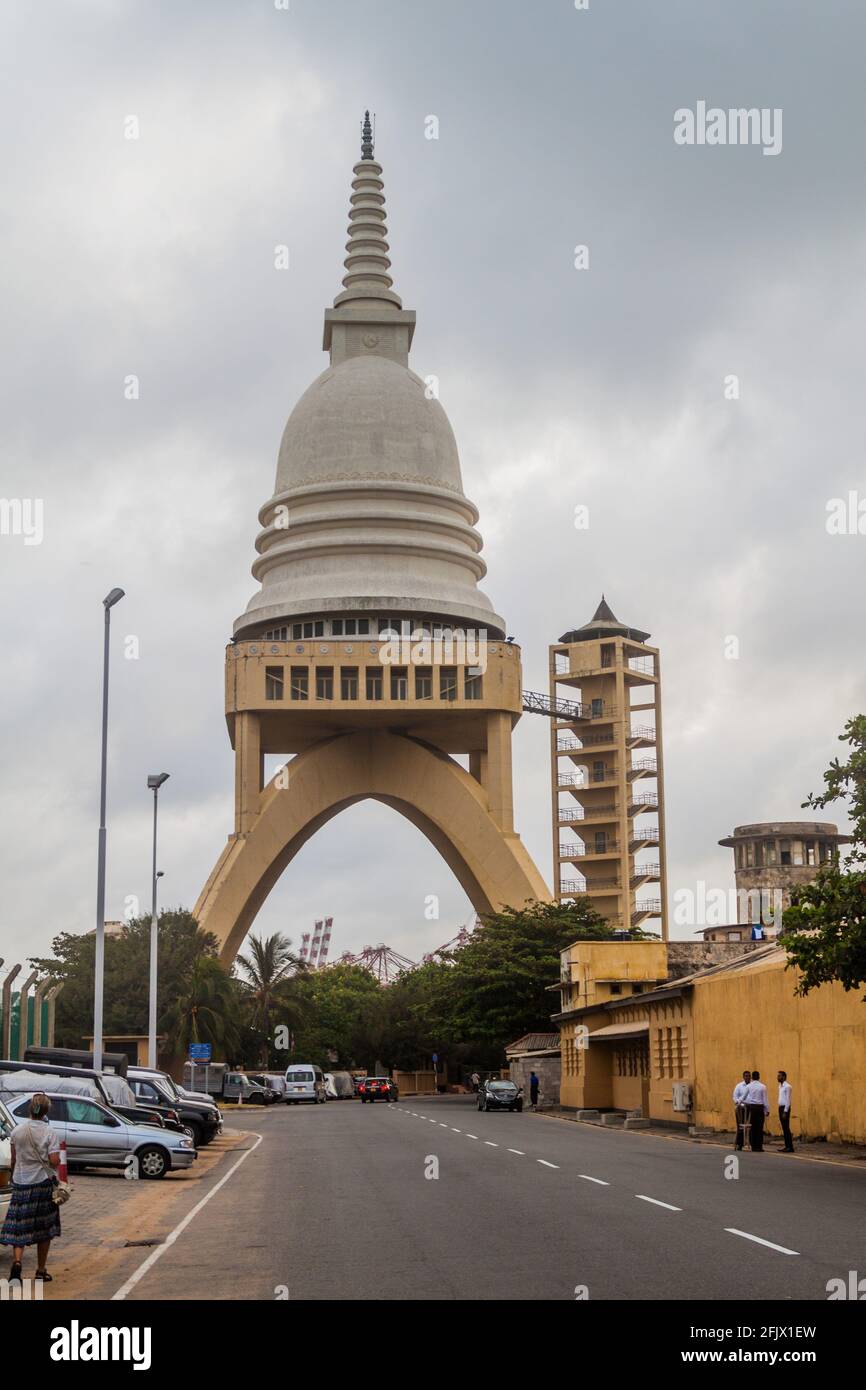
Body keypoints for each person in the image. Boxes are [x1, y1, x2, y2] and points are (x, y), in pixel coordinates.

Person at [0, 1092, 62, 1283]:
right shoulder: (50, 1132)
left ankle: (17, 1262)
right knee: (44, 1228)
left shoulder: (17, 1131)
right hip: (42, 1185)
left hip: (20, 1184)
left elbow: (14, 1159)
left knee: (20, 1226)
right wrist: (56, 1162)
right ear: (46, 1111)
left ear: (30, 1109)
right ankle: (41, 1270)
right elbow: (53, 1161)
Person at [743, 1070, 770, 1152]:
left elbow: (743, 1097)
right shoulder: (763, 1086)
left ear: (752, 1077)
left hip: (752, 1108)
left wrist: (739, 1102)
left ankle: (753, 1146)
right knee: (759, 1127)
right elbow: (765, 1100)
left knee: (753, 1127)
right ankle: (759, 1146)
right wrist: (767, 1110)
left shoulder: (749, 1086)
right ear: (759, 1077)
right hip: (759, 1108)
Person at [732, 1070, 752, 1150]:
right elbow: (735, 1097)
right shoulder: (739, 1086)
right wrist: (740, 1103)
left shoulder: (752, 1086)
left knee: (750, 1127)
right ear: (743, 1077)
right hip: (741, 1108)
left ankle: (750, 1143)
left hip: (750, 1108)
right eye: (746, 1076)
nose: (747, 1077)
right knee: (740, 1126)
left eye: (749, 1076)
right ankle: (739, 1144)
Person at [777, 1071, 794, 1152]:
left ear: (784, 1077)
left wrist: (785, 1111)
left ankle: (790, 1147)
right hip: (780, 1108)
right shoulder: (780, 1086)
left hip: (785, 1108)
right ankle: (787, 1146)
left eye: (779, 1076)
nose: (778, 1077)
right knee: (784, 1128)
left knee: (786, 1128)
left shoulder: (788, 1087)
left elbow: (788, 1100)